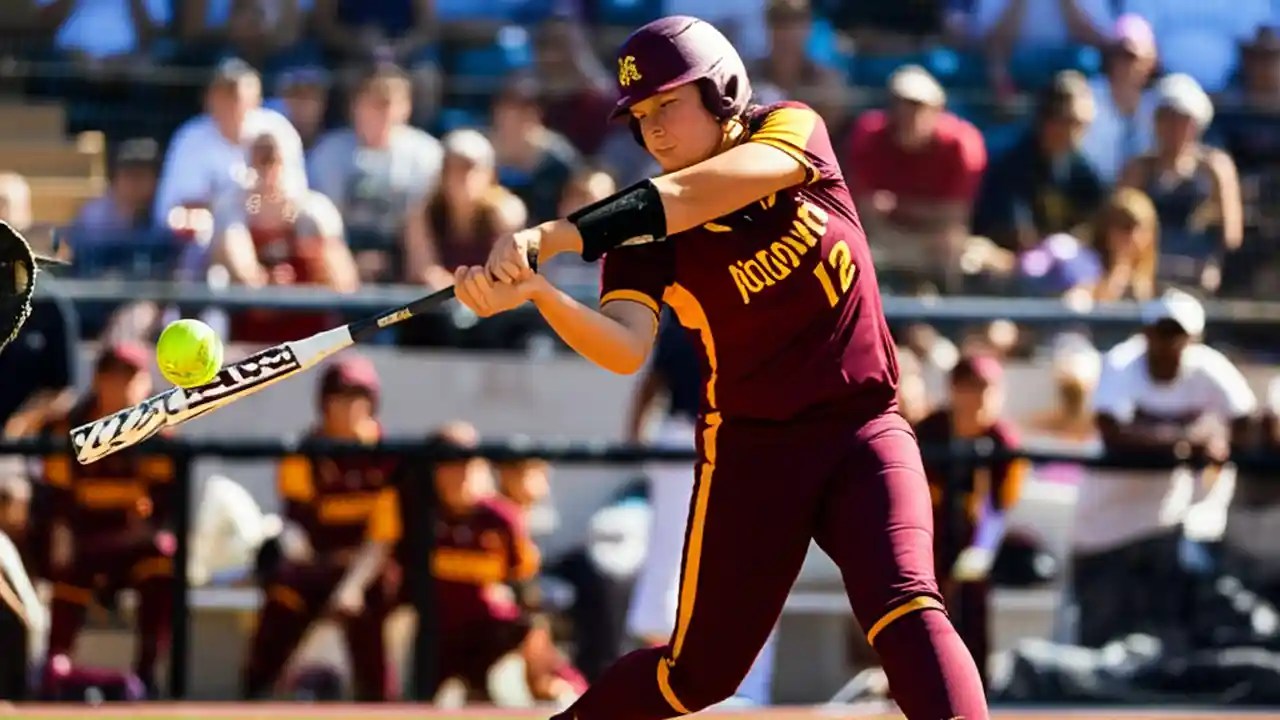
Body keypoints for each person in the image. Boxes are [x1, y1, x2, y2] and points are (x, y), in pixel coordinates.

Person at [451, 15, 988, 720]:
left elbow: (696, 195)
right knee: (692, 679)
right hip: (752, 454)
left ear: (724, 88)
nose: (655, 131)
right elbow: (623, 345)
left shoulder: (791, 130)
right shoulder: (640, 237)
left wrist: (554, 235)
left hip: (863, 429)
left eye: (668, 103)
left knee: (908, 605)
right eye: (641, 117)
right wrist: (538, 293)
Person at [1076, 289, 1256, 647]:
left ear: (1193, 338)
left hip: (1164, 521)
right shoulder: (1122, 363)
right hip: (1105, 523)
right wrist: (1184, 444)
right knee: (1099, 629)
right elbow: (1111, 430)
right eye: (1161, 332)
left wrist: (1221, 448)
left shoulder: (1208, 368)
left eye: (1177, 334)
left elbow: (1246, 419)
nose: (1168, 344)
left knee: (1161, 632)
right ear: (1146, 333)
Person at [624, 310, 778, 707]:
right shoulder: (685, 310)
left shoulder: (766, 305)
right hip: (684, 436)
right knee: (671, 558)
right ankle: (659, 680)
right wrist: (635, 438)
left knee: (753, 561)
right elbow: (653, 381)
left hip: (747, 436)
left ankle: (748, 689)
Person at [241, 356, 397, 700]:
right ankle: (254, 694)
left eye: (359, 397)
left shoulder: (390, 456)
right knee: (284, 594)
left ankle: (382, 704)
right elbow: (299, 532)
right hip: (317, 564)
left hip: (368, 572)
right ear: (324, 403)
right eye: (339, 397)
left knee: (369, 608)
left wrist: (351, 585)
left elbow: (382, 538)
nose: (349, 407)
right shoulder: (304, 451)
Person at [36, 343, 175, 697]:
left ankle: (147, 674)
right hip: (84, 541)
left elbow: (163, 510)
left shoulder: (159, 432)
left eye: (132, 379)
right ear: (97, 380)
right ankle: (54, 669)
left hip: (133, 544)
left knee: (162, 561)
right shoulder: (67, 427)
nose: (123, 388)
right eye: (113, 378)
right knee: (65, 560)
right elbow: (56, 502)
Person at [913, 354, 1027, 687]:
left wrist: (981, 548)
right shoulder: (929, 431)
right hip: (927, 539)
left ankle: (974, 688)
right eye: (969, 387)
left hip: (976, 544)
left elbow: (1002, 502)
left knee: (974, 613)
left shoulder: (1002, 440)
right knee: (922, 611)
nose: (978, 397)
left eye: (986, 388)